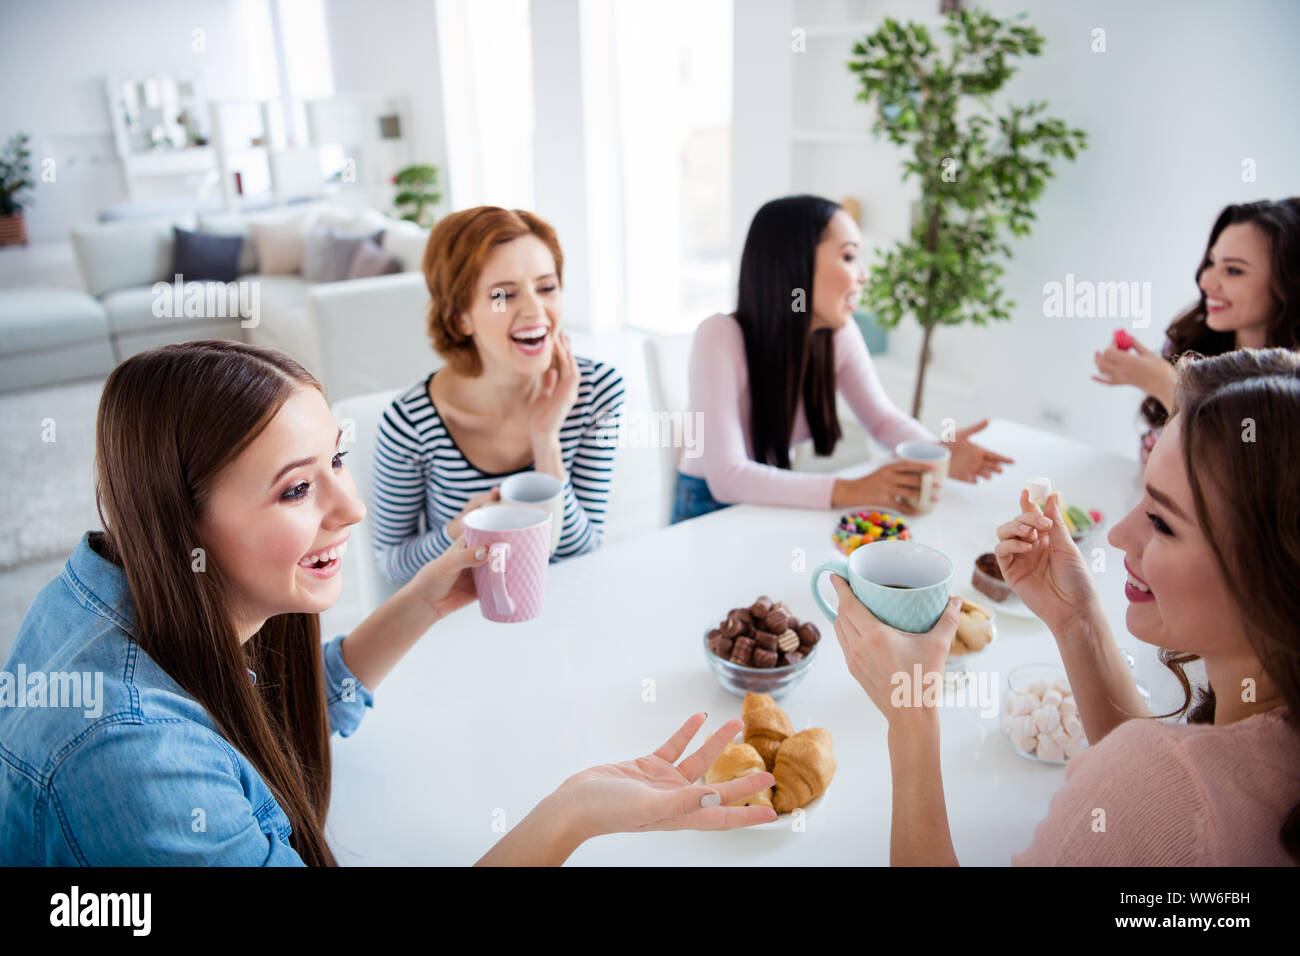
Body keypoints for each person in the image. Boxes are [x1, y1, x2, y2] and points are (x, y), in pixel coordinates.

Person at [0, 341, 771, 866]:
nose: (352, 507)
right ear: (181, 520)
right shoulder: (135, 763)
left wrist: (420, 603)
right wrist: (570, 816)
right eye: (297, 488)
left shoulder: (114, 578)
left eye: (337, 458)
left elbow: (271, 714)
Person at [833, 348, 1300, 865]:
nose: (1121, 534)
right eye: (1144, 500)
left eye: (1163, 522)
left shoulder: (1161, 789)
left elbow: (1159, 795)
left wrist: (911, 721)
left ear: (1273, 571)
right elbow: (1160, 800)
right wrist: (1075, 619)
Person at [674, 194, 1011, 524]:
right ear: (795, 263)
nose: (863, 276)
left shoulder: (837, 334)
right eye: (849, 257)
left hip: (775, 492)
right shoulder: (719, 335)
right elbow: (728, 479)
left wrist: (936, 453)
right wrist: (855, 489)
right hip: (707, 504)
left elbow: (881, 421)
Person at [371, 207, 625, 584]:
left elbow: (581, 552)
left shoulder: (595, 391)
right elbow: (392, 563)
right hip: (464, 619)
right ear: (461, 317)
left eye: (546, 287)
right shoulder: (411, 422)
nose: (535, 311)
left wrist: (545, 441)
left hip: (567, 609)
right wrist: (459, 531)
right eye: (503, 295)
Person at [1092, 198, 1300, 465]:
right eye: (1211, 263)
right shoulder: (1193, 339)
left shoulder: (1287, 395)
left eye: (1234, 270)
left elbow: (1229, 487)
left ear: (1289, 285)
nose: (1205, 281)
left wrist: (1167, 387)